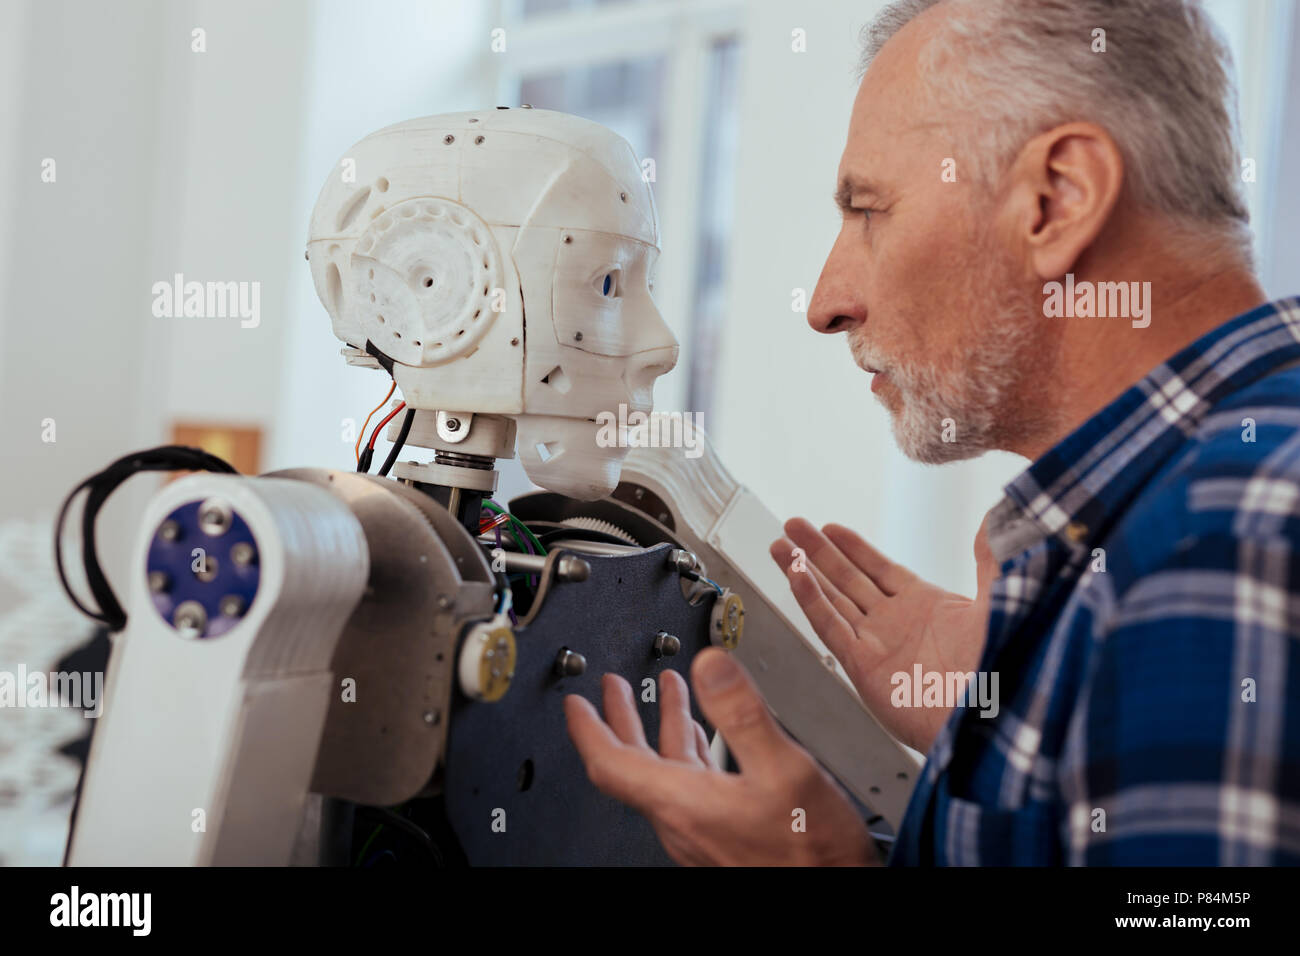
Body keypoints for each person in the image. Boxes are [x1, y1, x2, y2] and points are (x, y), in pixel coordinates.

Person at [565, 0, 1300, 865]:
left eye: (869, 210)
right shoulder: (1200, 506)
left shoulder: (1229, 537)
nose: (827, 302)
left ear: (1058, 199)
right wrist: (1011, 724)